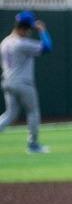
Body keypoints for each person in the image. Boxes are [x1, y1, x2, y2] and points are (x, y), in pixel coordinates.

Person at [0, 11, 52, 153]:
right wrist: (42, 30)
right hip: (23, 82)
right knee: (33, 112)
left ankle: (33, 144)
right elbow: (47, 46)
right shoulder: (22, 43)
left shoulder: (4, 42)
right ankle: (33, 144)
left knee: (10, 114)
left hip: (7, 80)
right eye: (29, 28)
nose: (30, 31)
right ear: (25, 28)